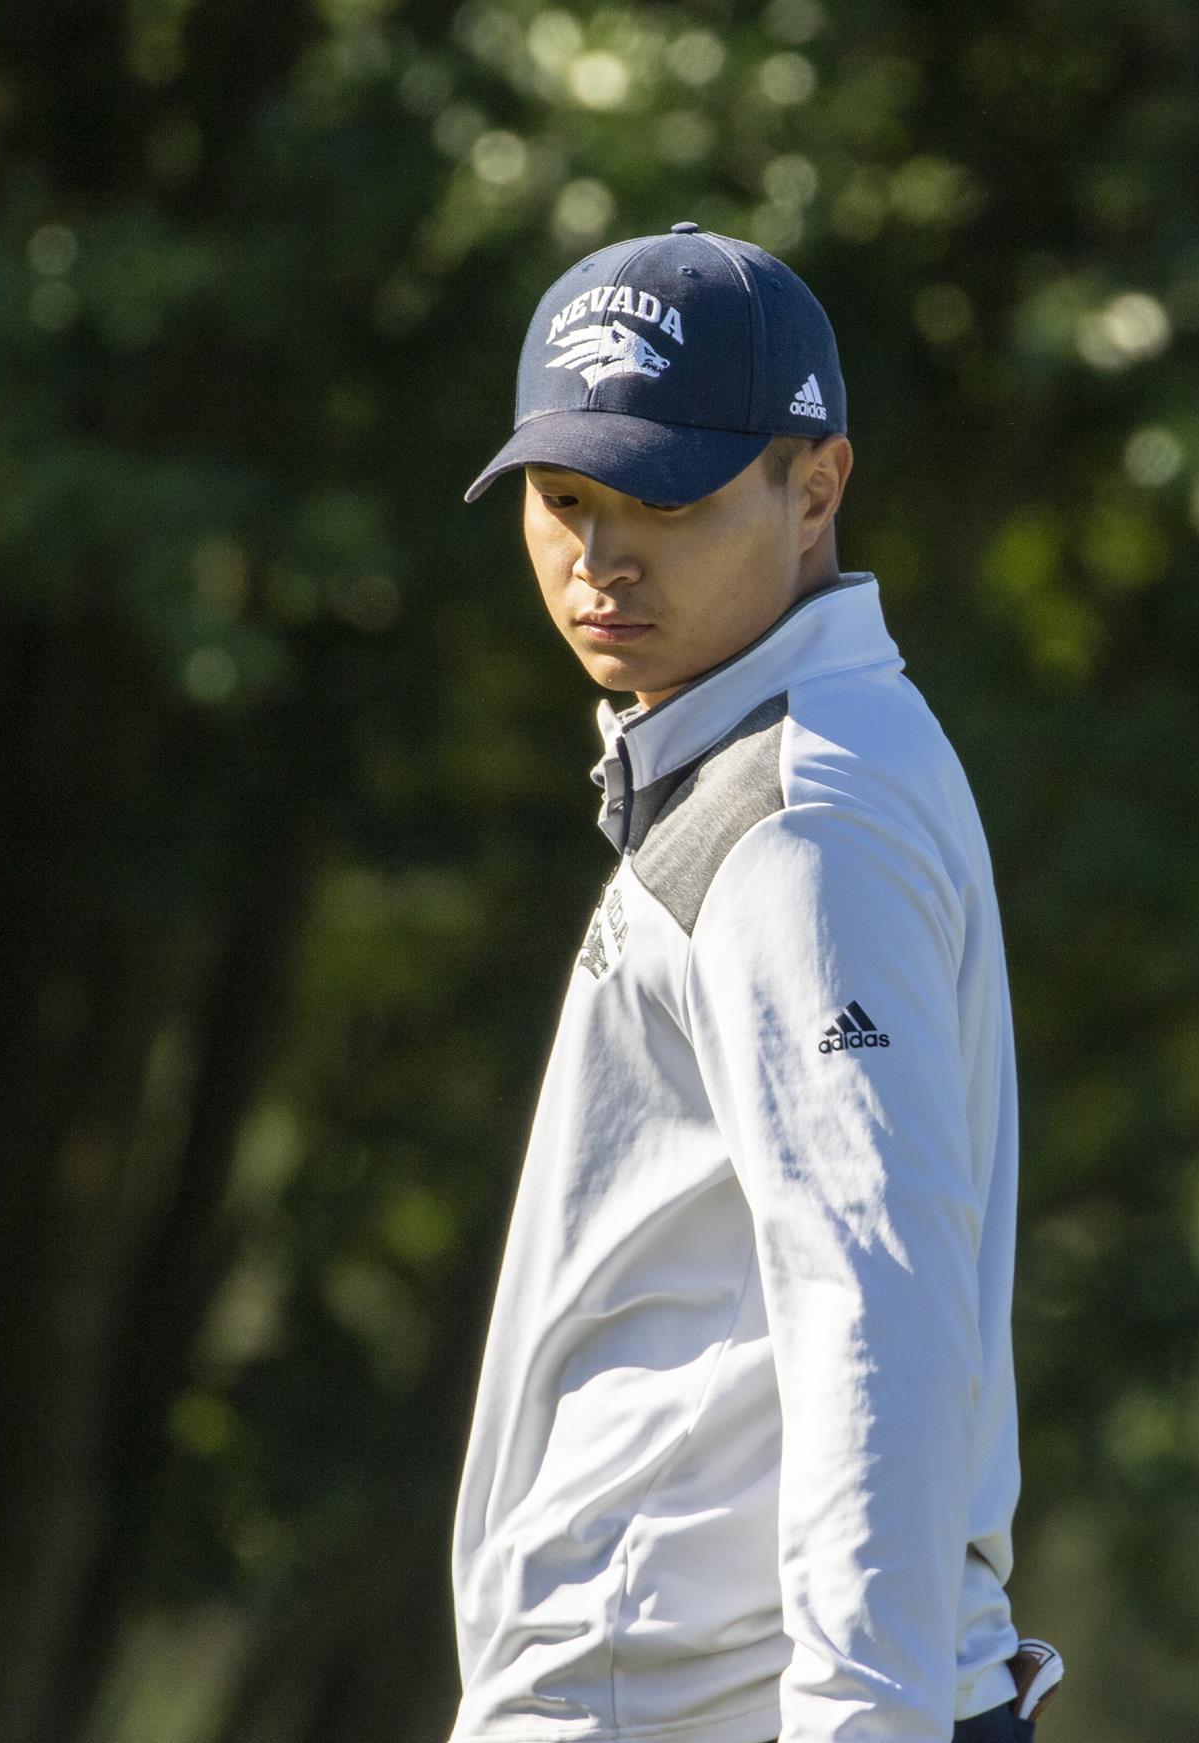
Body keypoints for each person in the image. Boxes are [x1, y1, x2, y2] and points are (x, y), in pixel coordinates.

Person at [446, 221, 1061, 1743]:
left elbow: (878, 1302)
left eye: (665, 494)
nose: (602, 557)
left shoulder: (795, 821)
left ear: (818, 487)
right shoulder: (767, 757)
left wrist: (860, 1723)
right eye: (565, 497)